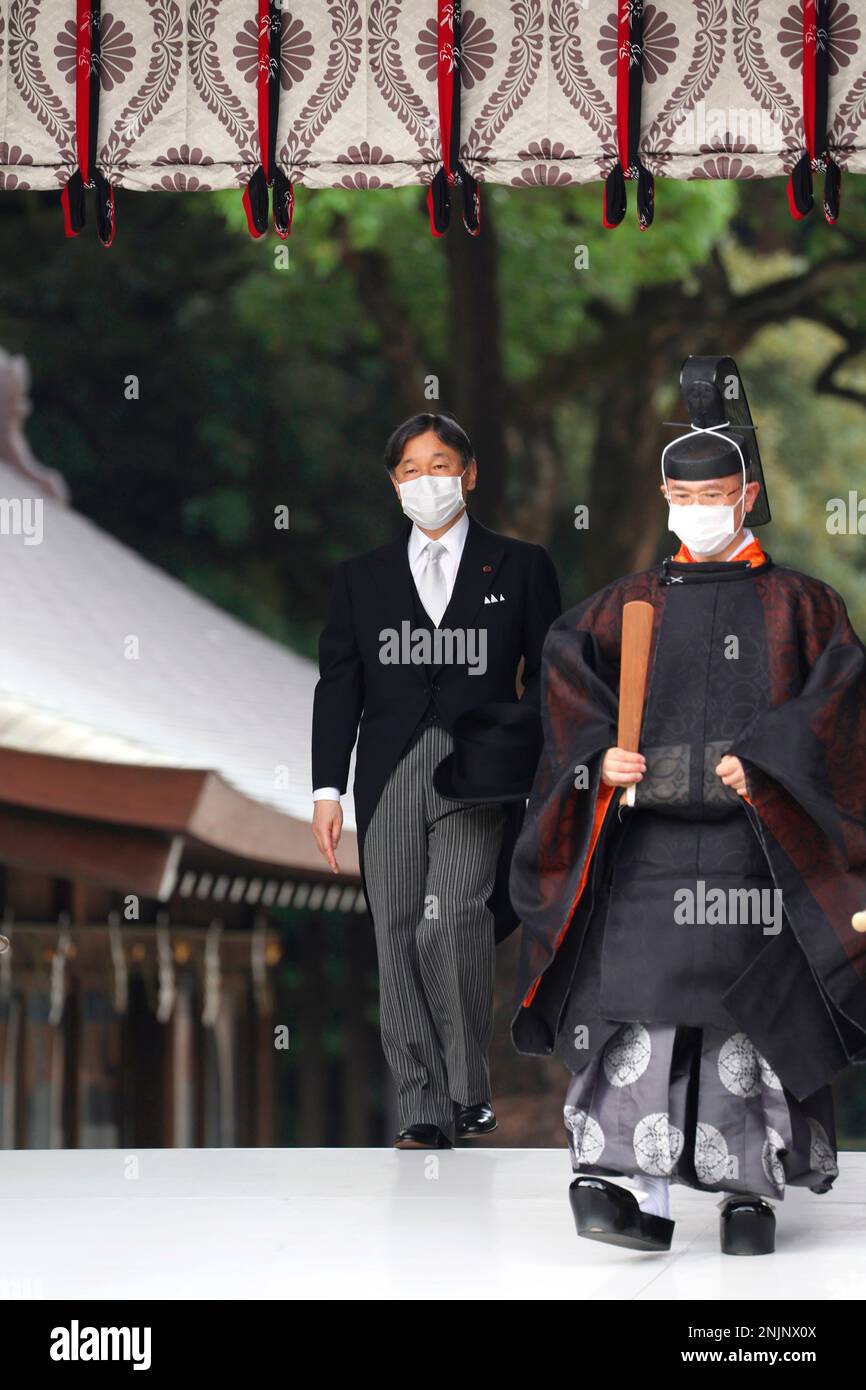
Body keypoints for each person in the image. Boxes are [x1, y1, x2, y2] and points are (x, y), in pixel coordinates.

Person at [509, 357, 866, 1255]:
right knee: (638, 1014)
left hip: (758, 855)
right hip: (647, 854)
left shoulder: (806, 608)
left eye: (712, 491)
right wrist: (599, 759)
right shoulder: (621, 608)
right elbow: (564, 692)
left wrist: (776, 763)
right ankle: (625, 1187)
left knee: (746, 1022)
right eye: (679, 489)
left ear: (746, 497)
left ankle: (749, 1196)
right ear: (665, 494)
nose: (694, 505)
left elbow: (841, 709)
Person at [311, 413, 561, 1148]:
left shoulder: (520, 565)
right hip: (385, 771)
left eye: (441, 464)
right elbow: (339, 686)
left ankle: (465, 1087)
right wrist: (326, 789)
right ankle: (422, 1105)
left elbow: (551, 670)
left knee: (451, 916)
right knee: (394, 932)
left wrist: (530, 750)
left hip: (477, 773)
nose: (428, 480)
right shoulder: (359, 579)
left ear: (470, 472)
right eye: (412, 469)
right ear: (394, 483)